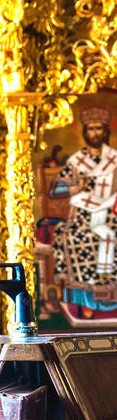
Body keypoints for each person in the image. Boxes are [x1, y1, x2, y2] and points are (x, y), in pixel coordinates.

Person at [49, 103, 117, 317]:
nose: (95, 133)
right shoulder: (77, 161)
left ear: (105, 131)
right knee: (76, 238)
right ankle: (85, 301)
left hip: (111, 212)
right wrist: (73, 187)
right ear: (85, 132)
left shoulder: (114, 159)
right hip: (82, 215)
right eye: (91, 129)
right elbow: (55, 190)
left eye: (99, 128)